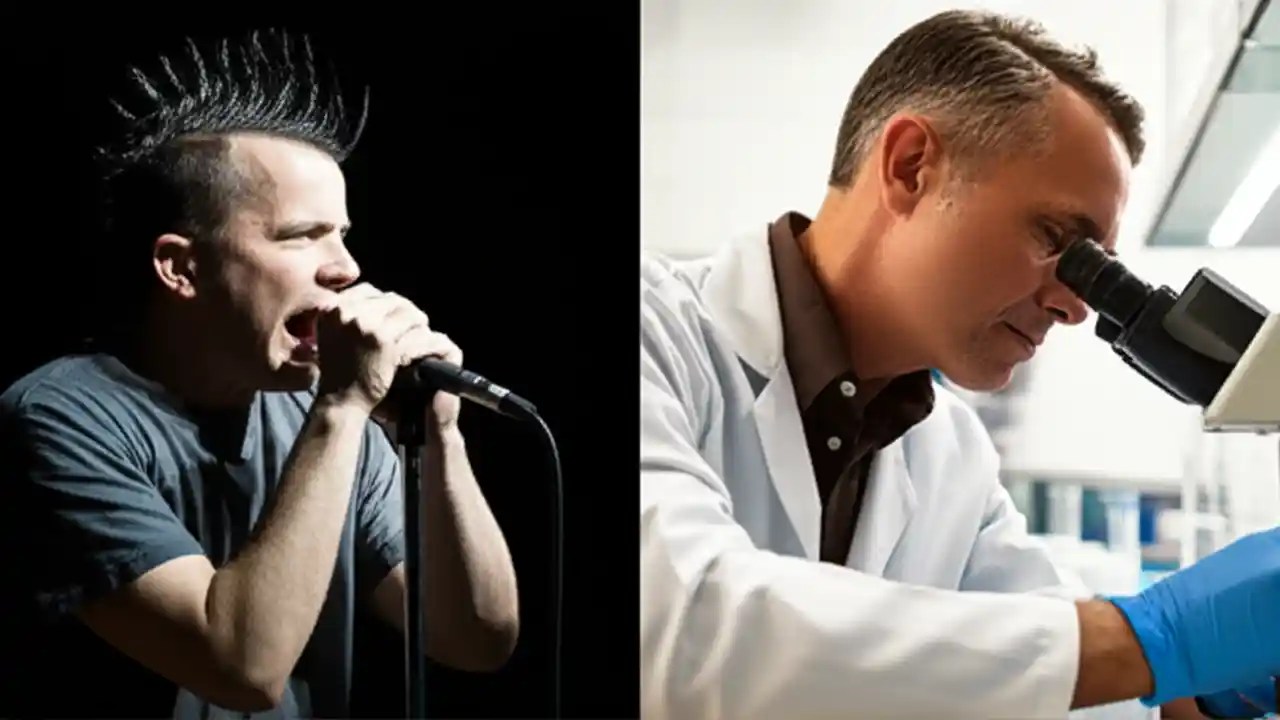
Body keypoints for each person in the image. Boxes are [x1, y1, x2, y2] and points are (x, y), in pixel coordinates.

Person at [639, 9, 1280, 720]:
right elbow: (680, 631)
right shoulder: (654, 335)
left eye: (1095, 268)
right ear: (911, 167)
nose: (1075, 307)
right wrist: (1161, 640)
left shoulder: (948, 453)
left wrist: (1208, 689)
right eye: (1056, 238)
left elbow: (1047, 674)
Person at [0, 30, 519, 718]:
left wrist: (441, 436)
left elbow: (477, 637)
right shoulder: (59, 417)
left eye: (341, 234)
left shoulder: (330, 420)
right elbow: (241, 666)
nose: (346, 268)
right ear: (181, 267)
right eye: (302, 236)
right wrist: (340, 409)